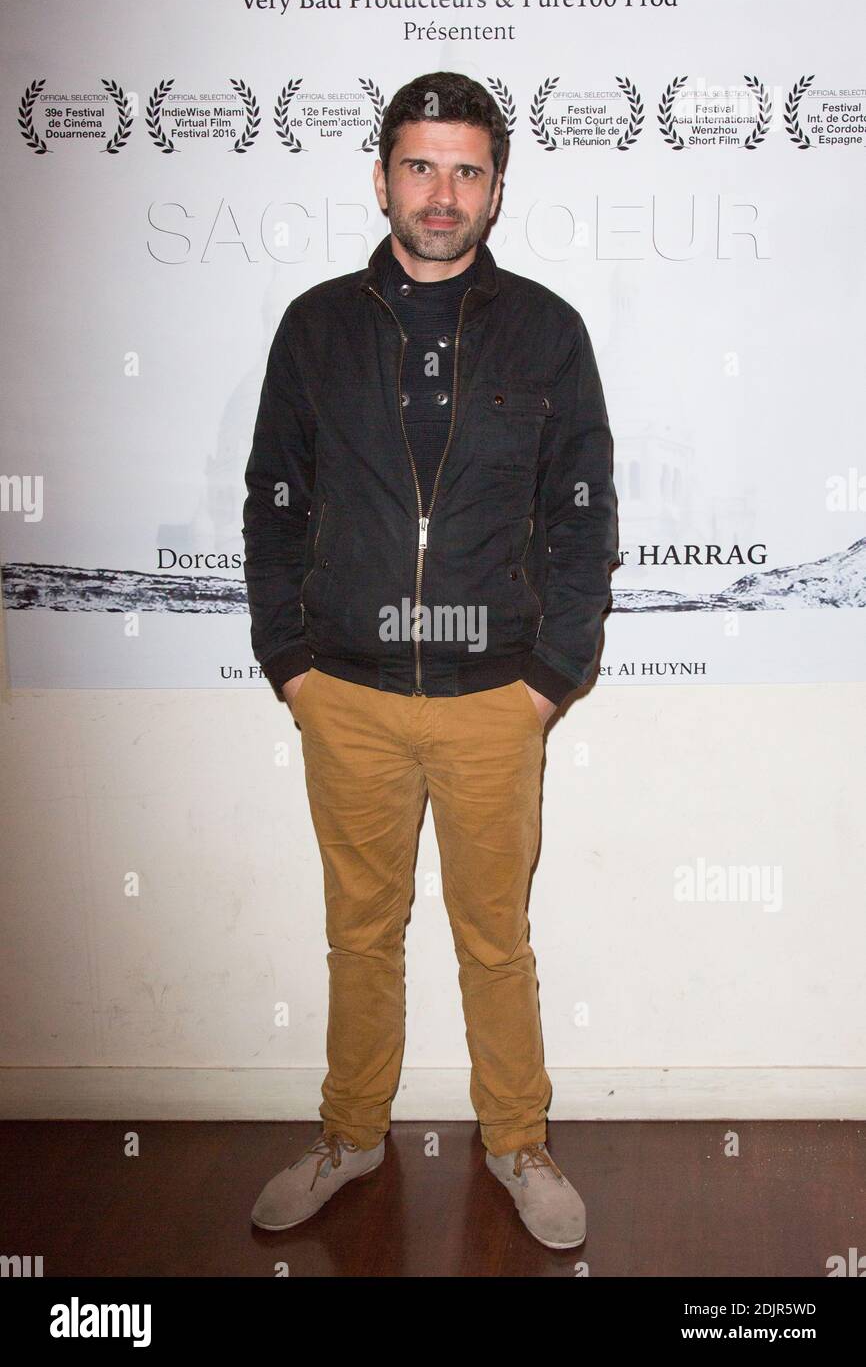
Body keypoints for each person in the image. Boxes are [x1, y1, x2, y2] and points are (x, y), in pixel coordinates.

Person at [242, 71, 619, 1251]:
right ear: (381, 177)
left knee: (491, 937)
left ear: (495, 188)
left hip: (490, 698)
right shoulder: (316, 326)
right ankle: (351, 1135)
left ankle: (514, 1141)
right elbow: (271, 502)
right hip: (344, 692)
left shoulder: (547, 331)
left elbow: (580, 513)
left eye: (465, 169)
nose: (440, 192)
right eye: (420, 165)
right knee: (360, 931)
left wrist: (548, 673)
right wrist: (288, 658)